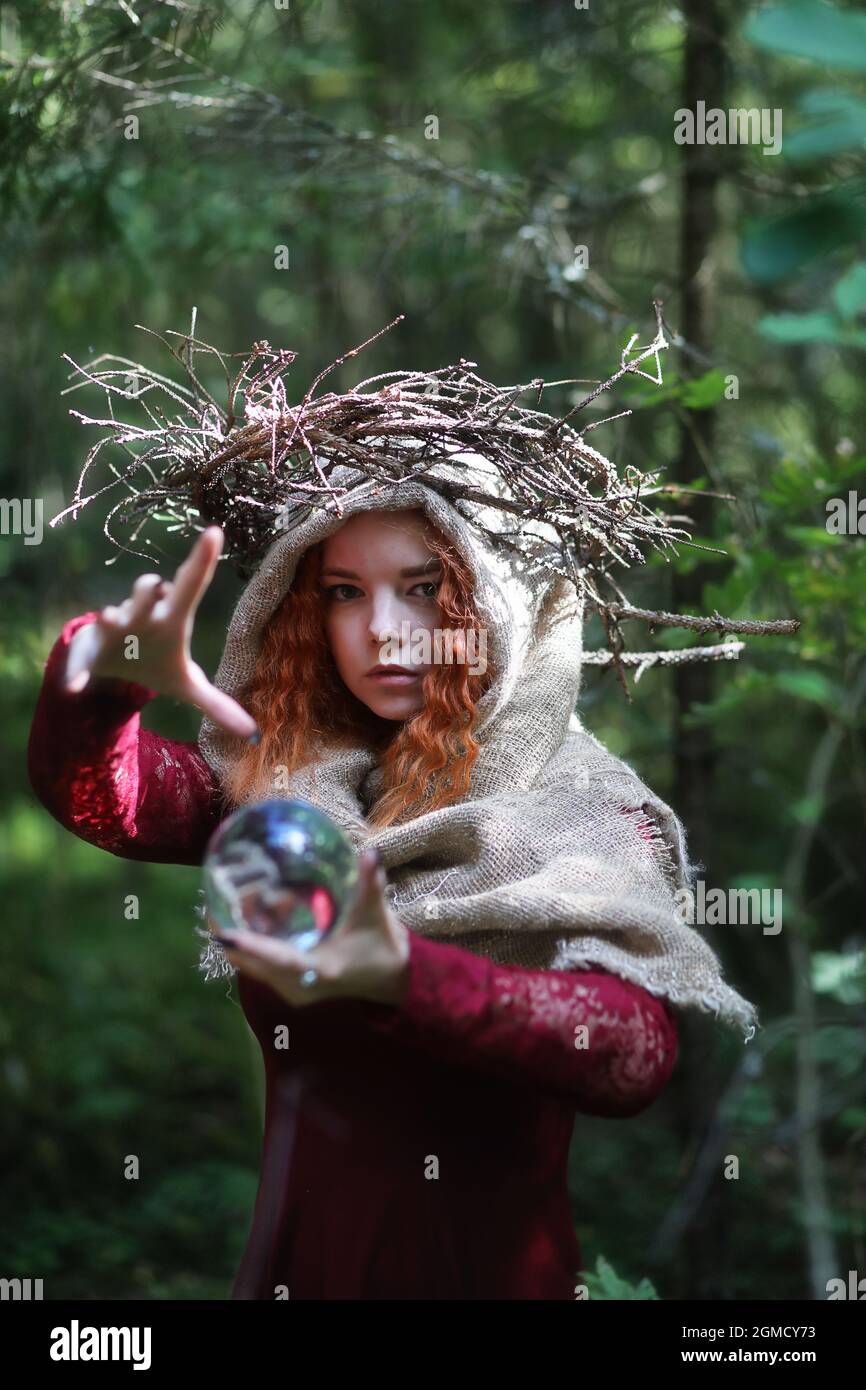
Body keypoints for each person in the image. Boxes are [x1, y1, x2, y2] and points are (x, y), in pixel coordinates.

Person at [28, 461, 758, 1300]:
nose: (382, 628)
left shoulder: (585, 815)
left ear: (499, 601)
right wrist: (104, 671)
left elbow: (633, 1053)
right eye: (343, 591)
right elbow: (108, 802)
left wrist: (405, 976)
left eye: (423, 589)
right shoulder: (298, 784)